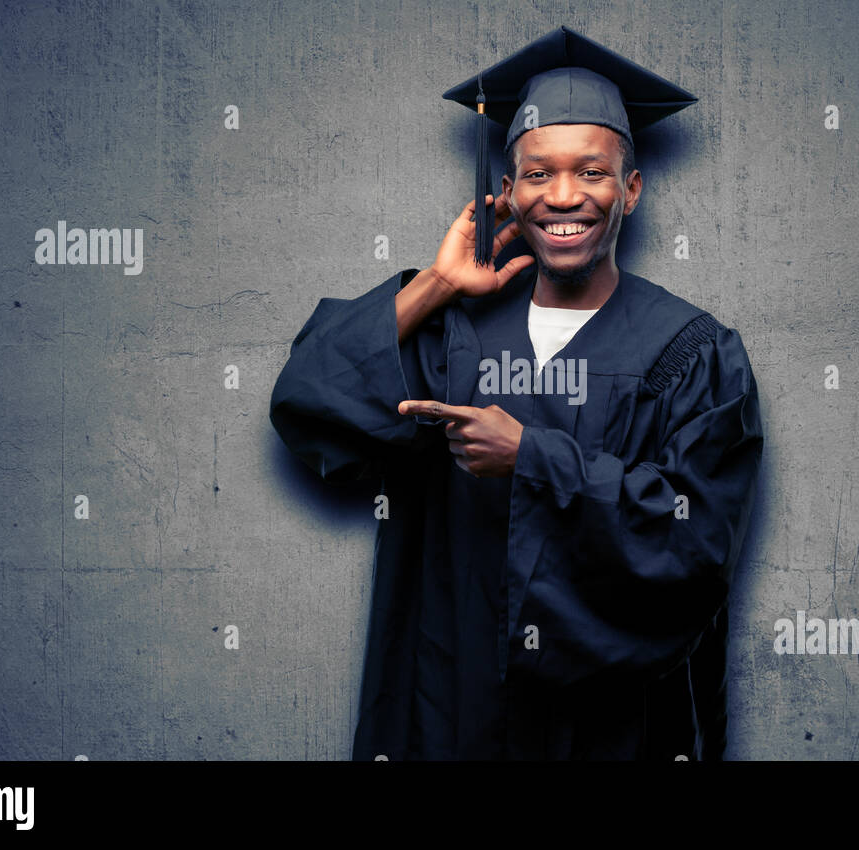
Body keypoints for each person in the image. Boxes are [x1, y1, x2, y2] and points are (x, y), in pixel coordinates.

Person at [269, 26, 764, 760]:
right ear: (506, 192)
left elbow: (694, 549)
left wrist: (532, 457)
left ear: (630, 187)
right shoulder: (452, 335)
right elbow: (308, 399)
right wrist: (434, 286)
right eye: (538, 174)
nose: (565, 196)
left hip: (613, 729)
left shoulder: (692, 351)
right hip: (455, 708)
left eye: (592, 172)